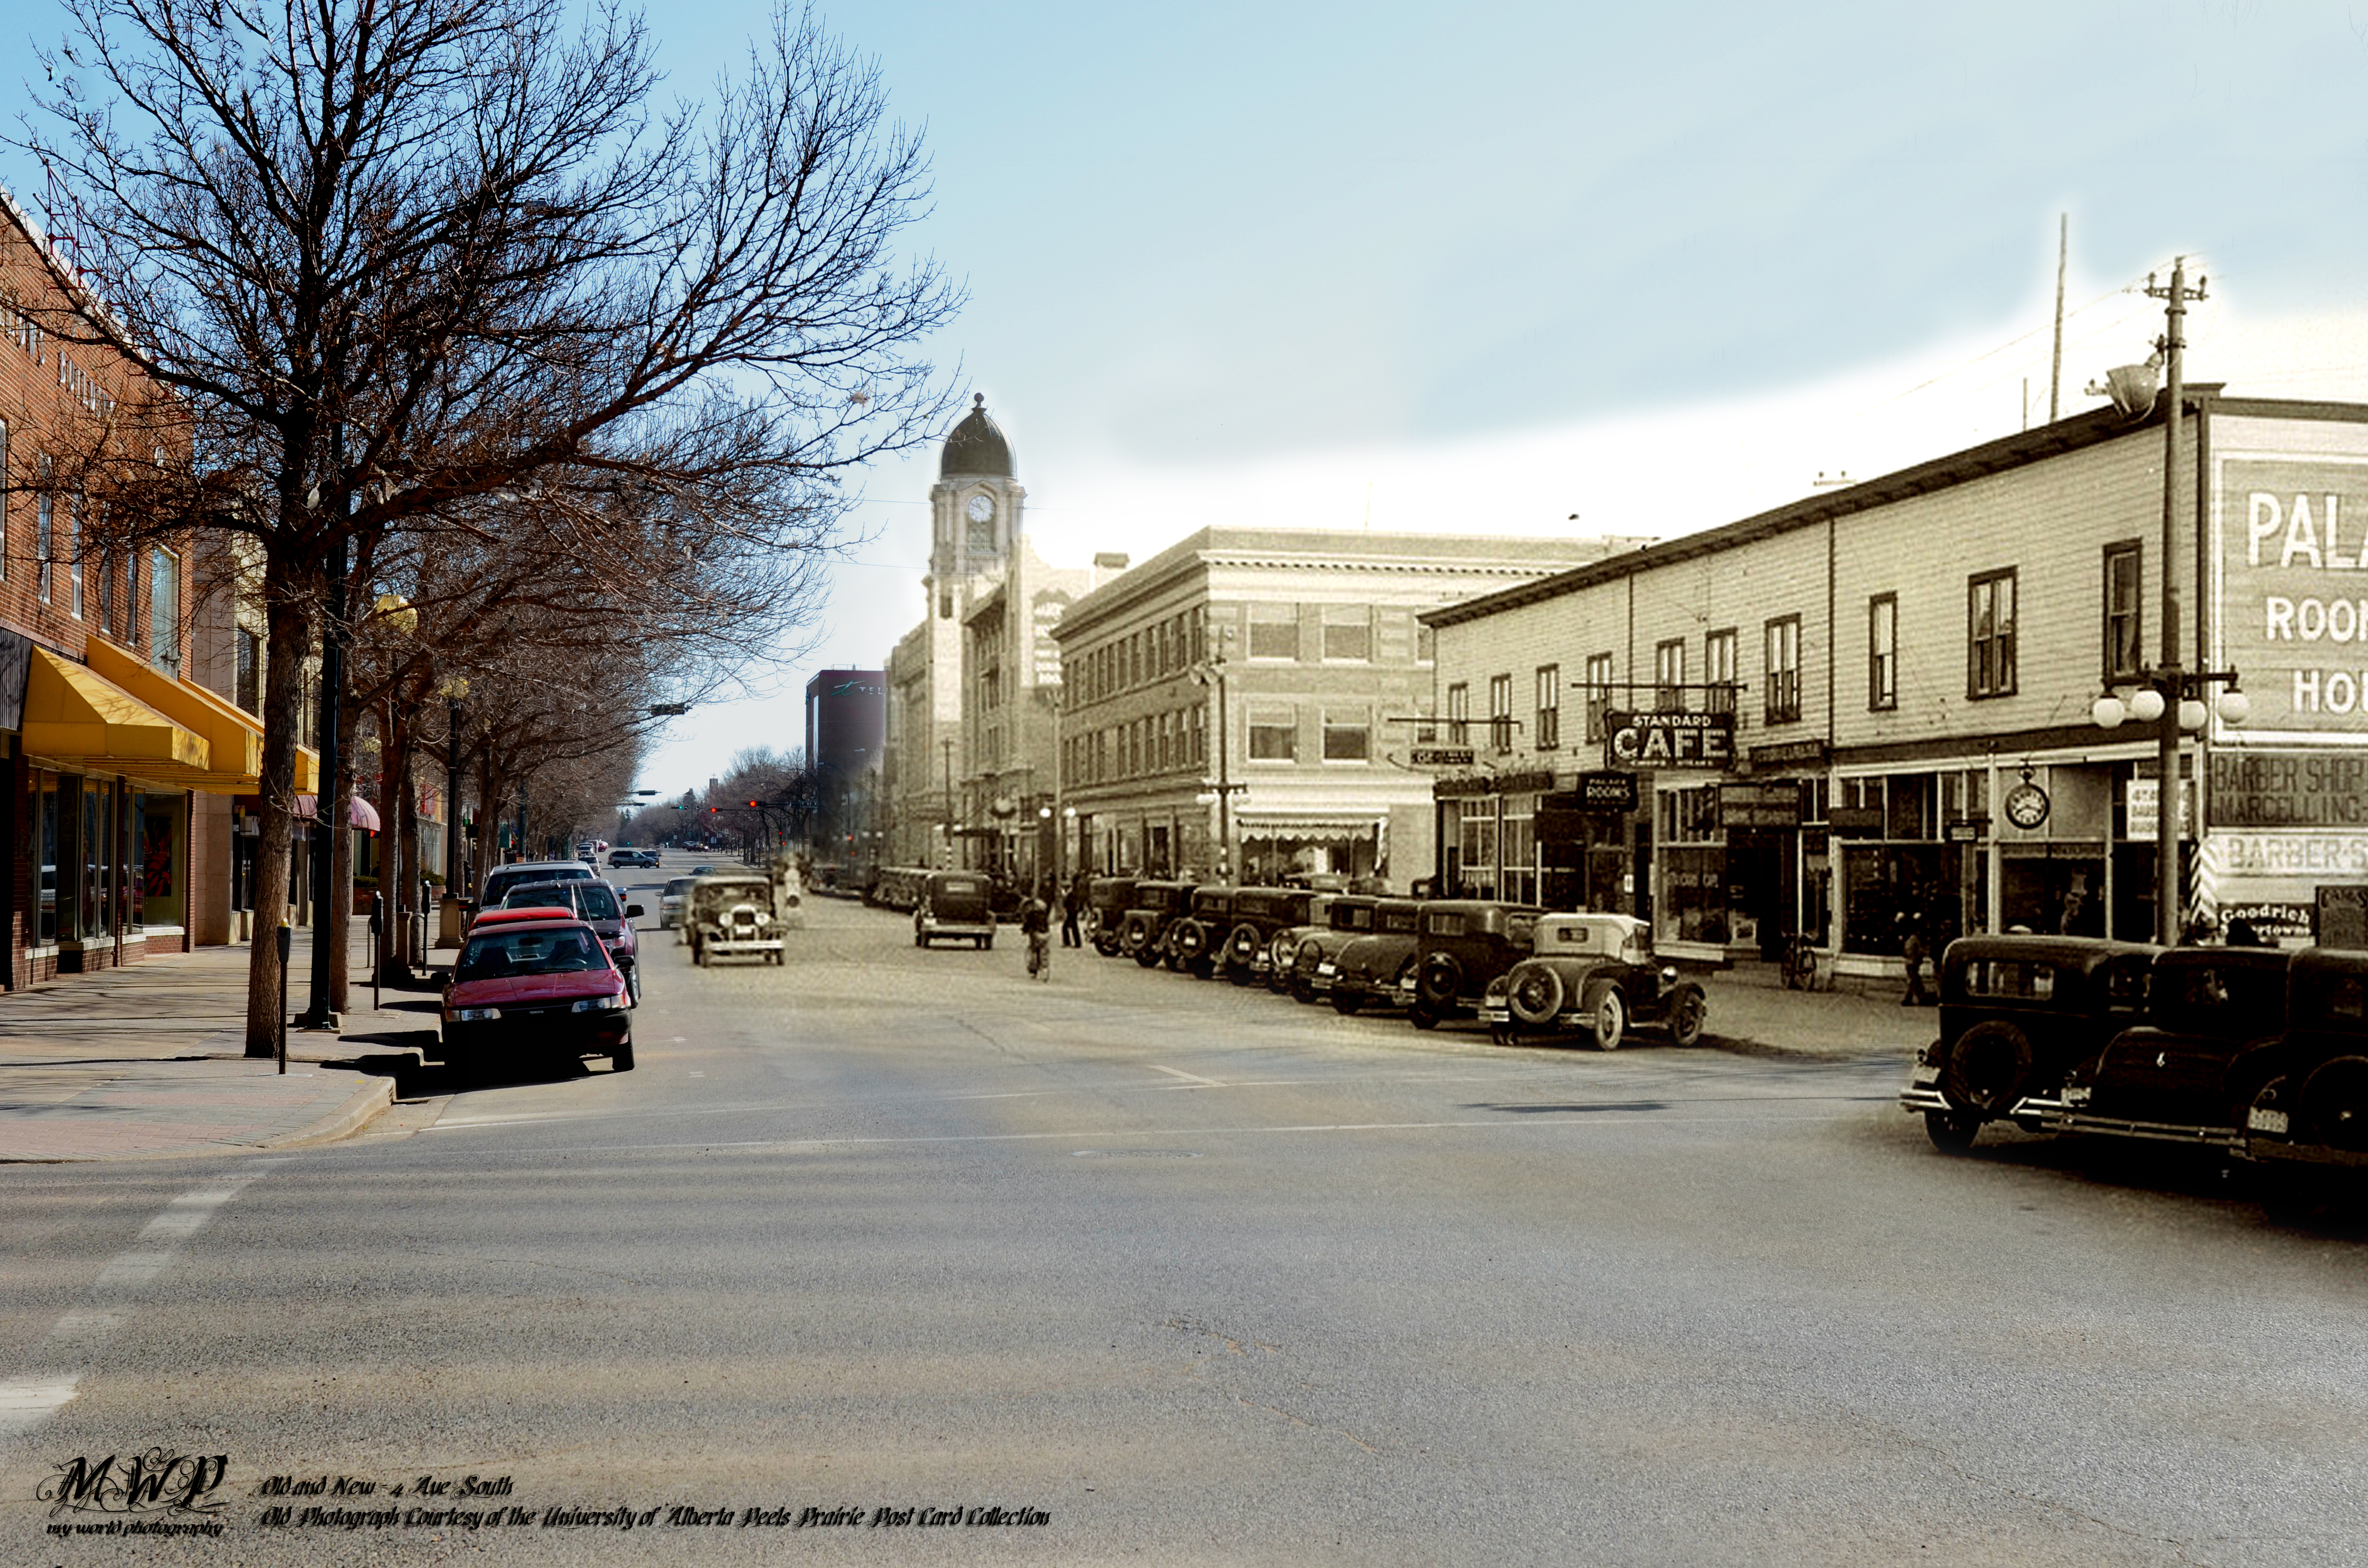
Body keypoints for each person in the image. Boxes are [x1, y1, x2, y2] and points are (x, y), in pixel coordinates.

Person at [1898, 905, 1932, 1006]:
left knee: (1915, 980)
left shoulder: (1908, 940)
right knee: (1913, 981)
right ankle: (1910, 998)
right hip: (1913, 963)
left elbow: (1905, 952)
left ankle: (1920, 997)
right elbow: (1920, 952)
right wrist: (1921, 957)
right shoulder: (1915, 940)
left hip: (1909, 962)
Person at [1020, 889, 1052, 981]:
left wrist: (1024, 930)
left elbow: (1027, 925)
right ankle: (1045, 970)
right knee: (1045, 951)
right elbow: (1047, 926)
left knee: (1033, 950)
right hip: (1046, 935)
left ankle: (1033, 970)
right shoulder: (1045, 915)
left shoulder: (1031, 915)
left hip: (1036, 935)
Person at [1060, 874, 1084, 948]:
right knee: (1073, 926)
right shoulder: (1076, 889)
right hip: (1073, 909)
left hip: (1072, 909)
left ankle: (1070, 942)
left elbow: (1071, 899)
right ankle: (1076, 943)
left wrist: (1066, 896)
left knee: (1067, 927)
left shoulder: (1074, 889)